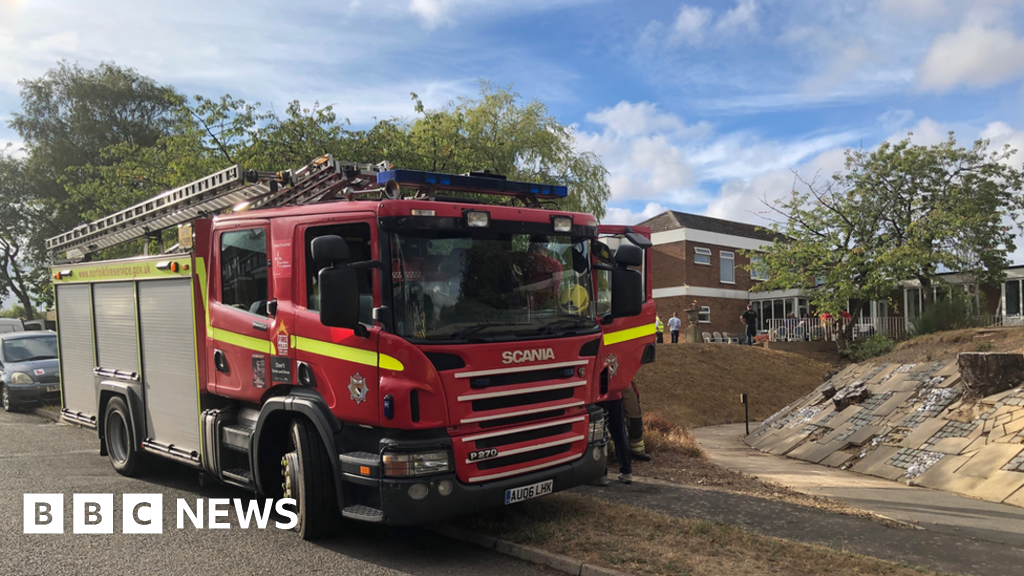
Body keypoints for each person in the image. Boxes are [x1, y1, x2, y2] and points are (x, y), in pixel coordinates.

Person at [592, 391, 633, 486]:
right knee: (620, 434)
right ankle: (627, 472)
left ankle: (601, 475)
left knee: (598, 436)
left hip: (598, 397)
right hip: (615, 397)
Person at [622, 380, 651, 461]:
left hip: (624, 382)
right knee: (612, 420)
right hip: (607, 382)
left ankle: (637, 451)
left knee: (634, 417)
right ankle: (616, 452)